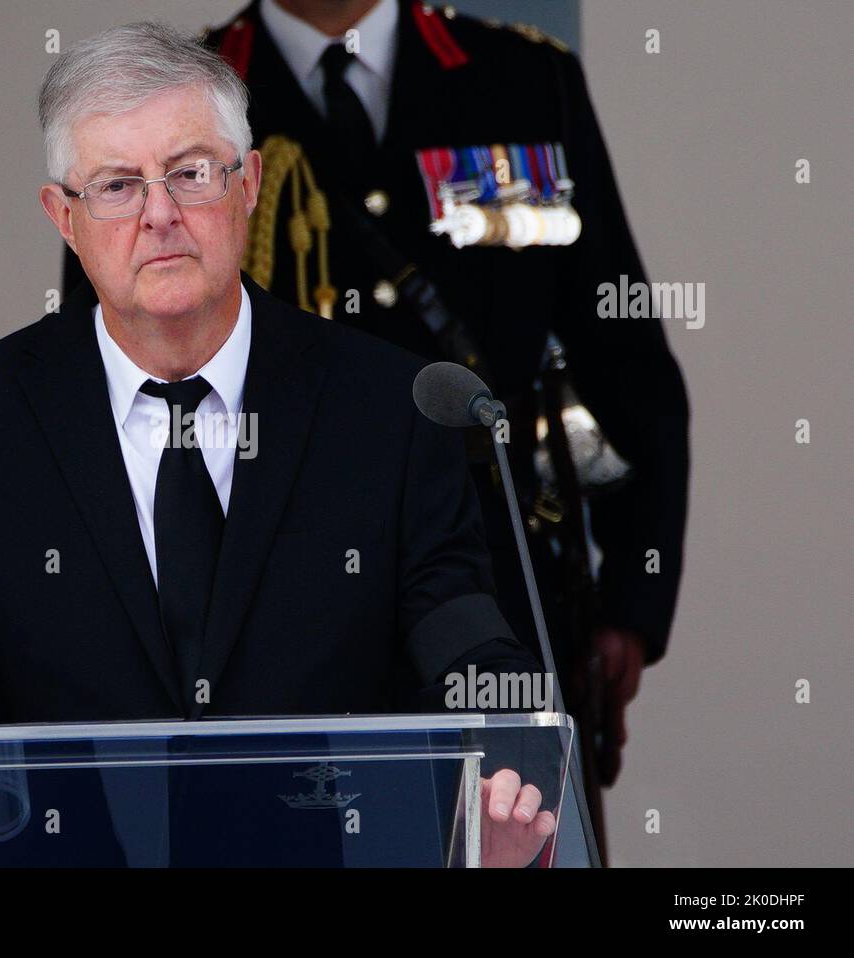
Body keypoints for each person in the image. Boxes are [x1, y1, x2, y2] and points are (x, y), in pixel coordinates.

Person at [0, 20, 555, 866]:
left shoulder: (392, 410)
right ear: (63, 218)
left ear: (248, 183)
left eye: (190, 173)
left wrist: (502, 774)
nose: (159, 215)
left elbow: (466, 648)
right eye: (117, 185)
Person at [61, 0, 690, 861]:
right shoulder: (169, 104)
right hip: (257, 607)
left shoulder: (524, 81)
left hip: (493, 601)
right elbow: (102, 383)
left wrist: (629, 604)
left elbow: (625, 363)